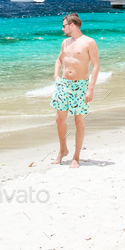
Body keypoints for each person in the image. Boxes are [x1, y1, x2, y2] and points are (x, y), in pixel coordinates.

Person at [51, 13, 99, 168]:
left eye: (64, 25)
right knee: (59, 119)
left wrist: (90, 89)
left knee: (79, 121)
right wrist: (56, 75)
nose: (62, 28)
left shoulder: (89, 42)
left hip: (81, 86)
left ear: (72, 26)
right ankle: (62, 150)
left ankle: (76, 157)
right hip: (63, 85)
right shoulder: (65, 42)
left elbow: (96, 66)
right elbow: (59, 60)